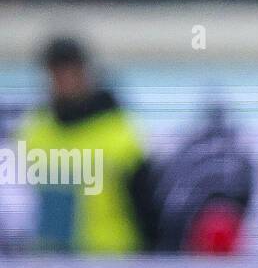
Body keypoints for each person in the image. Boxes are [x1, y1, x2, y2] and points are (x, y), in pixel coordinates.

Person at [15, 37, 157, 253]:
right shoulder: (35, 129)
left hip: (114, 264)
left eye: (69, 72)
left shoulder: (120, 133)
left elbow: (146, 210)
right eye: (56, 73)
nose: (63, 81)